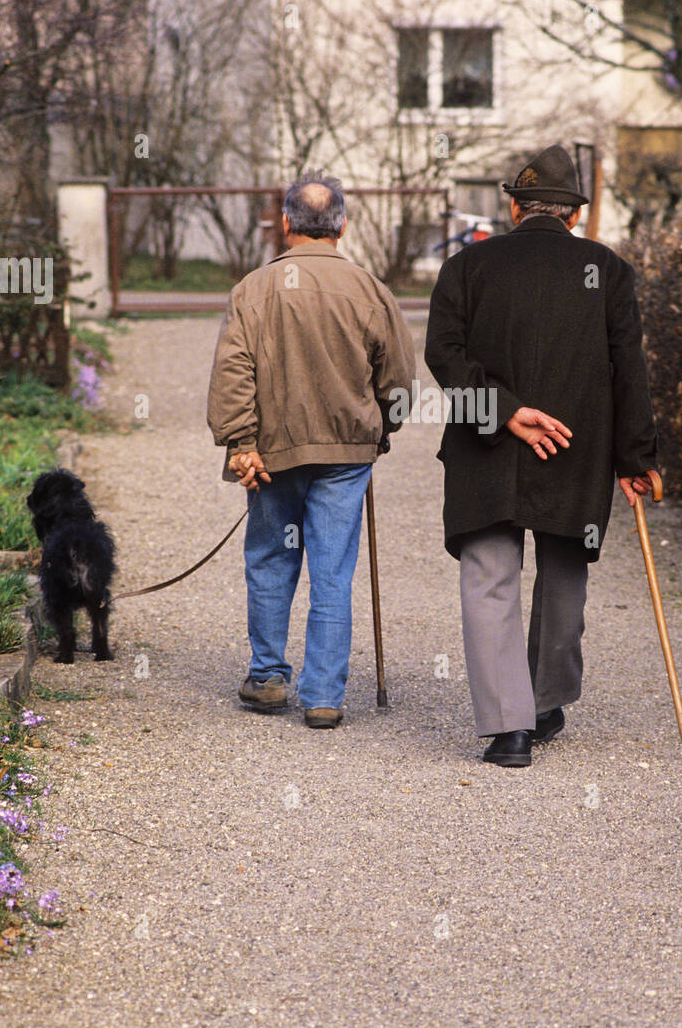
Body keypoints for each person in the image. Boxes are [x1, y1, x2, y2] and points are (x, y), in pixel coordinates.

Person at [425, 145, 658, 767]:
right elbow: (629, 371)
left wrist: (503, 412)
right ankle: (546, 701)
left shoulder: (466, 265)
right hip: (575, 448)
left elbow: (444, 357)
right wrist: (636, 457)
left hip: (485, 444)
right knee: (563, 578)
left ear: (514, 207)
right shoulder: (606, 270)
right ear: (574, 215)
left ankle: (511, 730)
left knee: (488, 579)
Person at [207, 172, 415, 727]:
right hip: (347, 454)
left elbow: (233, 371)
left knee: (272, 560)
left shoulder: (253, 289)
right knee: (332, 569)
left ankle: (270, 676)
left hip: (271, 454)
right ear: (342, 225)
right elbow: (396, 382)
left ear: (285, 225)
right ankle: (323, 695)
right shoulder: (371, 290)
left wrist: (240, 443)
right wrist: (382, 431)